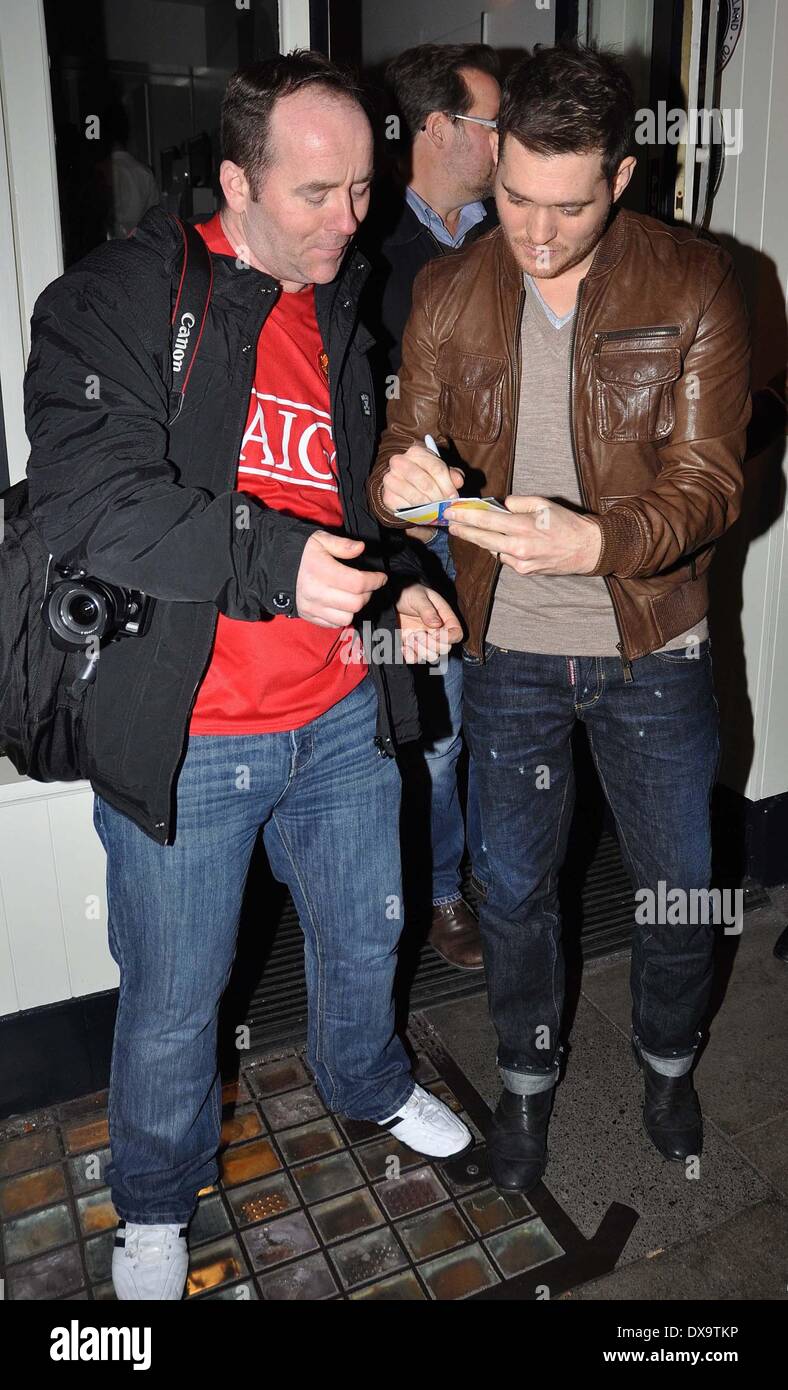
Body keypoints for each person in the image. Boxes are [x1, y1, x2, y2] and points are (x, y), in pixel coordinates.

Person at [24, 51, 471, 1301]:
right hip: (191, 736)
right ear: (235, 179)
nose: (352, 221)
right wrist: (276, 562)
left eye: (364, 190)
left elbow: (335, 500)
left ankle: (371, 1084)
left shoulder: (340, 300)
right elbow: (94, 500)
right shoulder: (114, 300)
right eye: (319, 194)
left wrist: (397, 578)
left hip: (336, 713)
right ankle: (158, 1211)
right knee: (175, 1001)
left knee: (362, 935)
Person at [367, 42, 751, 1193]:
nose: (532, 235)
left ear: (620, 179)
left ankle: (666, 1063)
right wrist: (396, 484)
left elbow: (714, 485)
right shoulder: (447, 288)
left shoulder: (694, 286)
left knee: (676, 882)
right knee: (513, 891)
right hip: (510, 650)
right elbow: (405, 443)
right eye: (513, 200)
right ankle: (525, 1087)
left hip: (649, 645)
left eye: (565, 208)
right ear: (493, 164)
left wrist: (597, 539)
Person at [360, 43, 501, 970]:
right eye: (495, 123)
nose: (510, 142)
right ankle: (445, 892)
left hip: (514, 526)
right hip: (419, 540)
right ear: (441, 127)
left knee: (515, 722)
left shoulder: (520, 244)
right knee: (440, 737)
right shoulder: (365, 255)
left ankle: (511, 884)